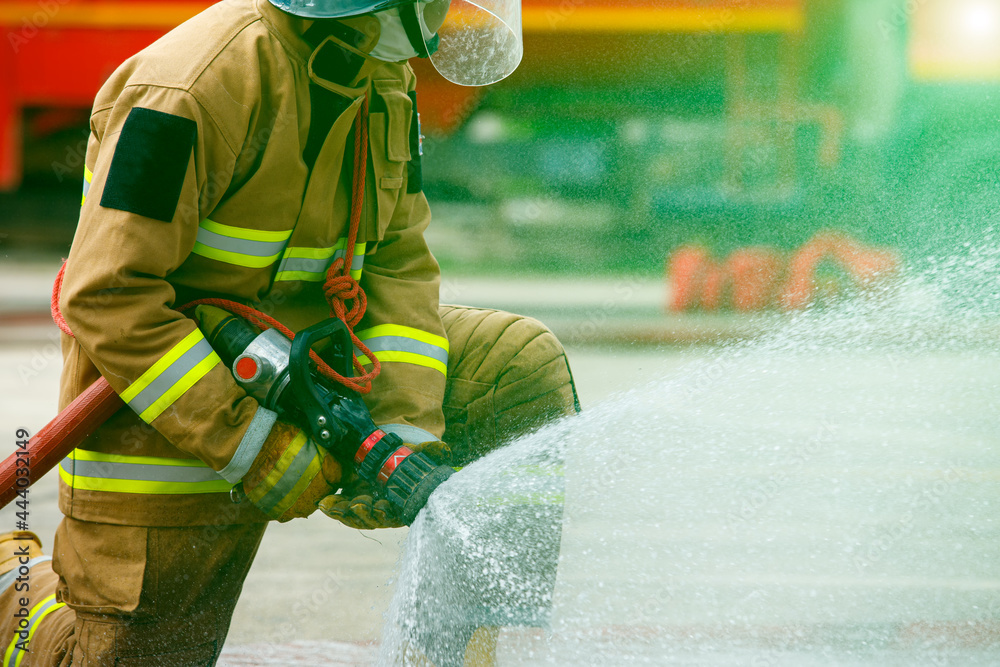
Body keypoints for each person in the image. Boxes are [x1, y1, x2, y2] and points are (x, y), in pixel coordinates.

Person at [0, 0, 578, 663]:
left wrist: (407, 422)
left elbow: (399, 260)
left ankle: (450, 656)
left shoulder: (381, 76)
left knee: (514, 367)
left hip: (327, 366)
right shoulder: (186, 87)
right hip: (177, 406)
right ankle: (7, 588)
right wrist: (253, 442)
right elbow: (108, 295)